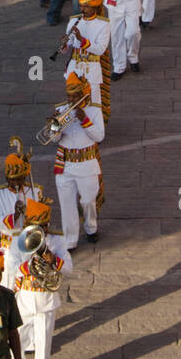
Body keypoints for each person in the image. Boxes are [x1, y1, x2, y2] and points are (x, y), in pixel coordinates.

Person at [9, 197, 71, 359]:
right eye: (34, 226)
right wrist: (27, 265)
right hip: (24, 298)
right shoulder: (18, 240)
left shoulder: (57, 240)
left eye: (42, 227)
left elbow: (69, 267)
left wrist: (53, 259)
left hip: (45, 299)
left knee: (43, 345)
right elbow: (11, 265)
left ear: (46, 225)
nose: (40, 230)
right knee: (17, 343)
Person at [53, 71, 105, 248]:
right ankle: (70, 241)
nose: (71, 99)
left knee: (88, 200)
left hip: (87, 163)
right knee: (66, 205)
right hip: (65, 164)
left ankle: (91, 227)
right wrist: (55, 128)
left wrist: (85, 120)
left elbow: (99, 137)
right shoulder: (61, 110)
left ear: (83, 94)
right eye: (69, 95)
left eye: (75, 96)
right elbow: (54, 140)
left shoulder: (95, 110)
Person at [0, 146, 41, 290]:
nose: (16, 184)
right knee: (5, 285)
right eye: (12, 180)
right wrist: (14, 216)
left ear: (24, 176)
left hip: (27, 245)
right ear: (6, 178)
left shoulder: (35, 191)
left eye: (19, 179)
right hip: (6, 246)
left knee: (25, 283)